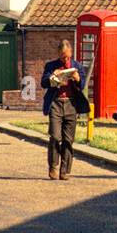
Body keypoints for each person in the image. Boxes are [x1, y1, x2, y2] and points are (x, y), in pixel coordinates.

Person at [41, 39, 88, 180]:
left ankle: (65, 170)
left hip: (71, 104)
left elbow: (83, 85)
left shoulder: (77, 66)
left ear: (71, 53)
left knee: (68, 139)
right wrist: (52, 77)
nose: (64, 59)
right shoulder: (51, 66)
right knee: (55, 136)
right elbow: (43, 83)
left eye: (67, 56)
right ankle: (53, 166)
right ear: (58, 54)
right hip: (56, 103)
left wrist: (78, 78)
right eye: (62, 57)